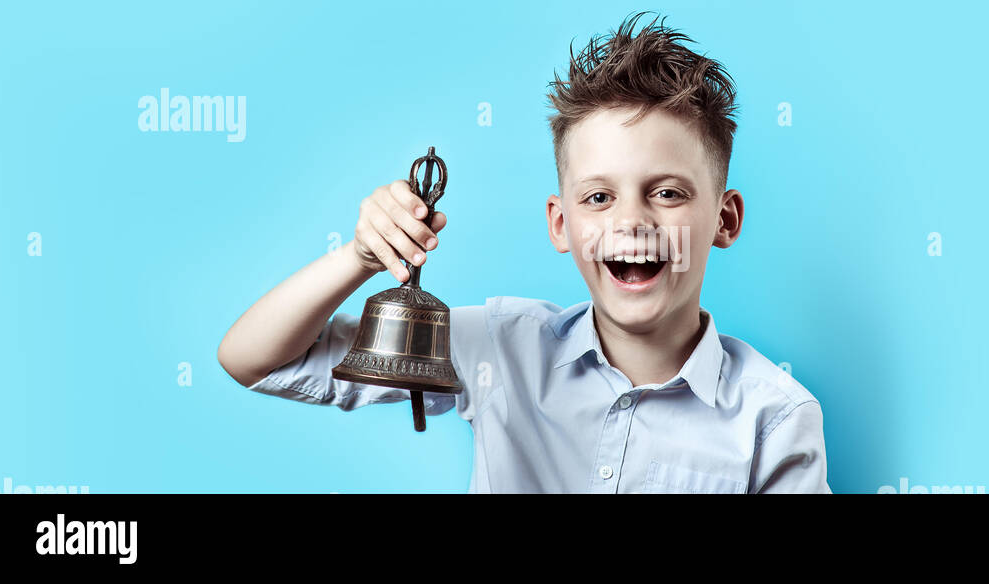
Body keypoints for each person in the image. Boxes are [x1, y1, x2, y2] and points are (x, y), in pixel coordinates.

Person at [218, 12, 831, 494]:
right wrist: (358, 256)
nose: (632, 222)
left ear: (724, 220)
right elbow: (256, 360)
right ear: (560, 224)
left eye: (667, 192)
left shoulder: (774, 418)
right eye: (598, 197)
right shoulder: (501, 347)